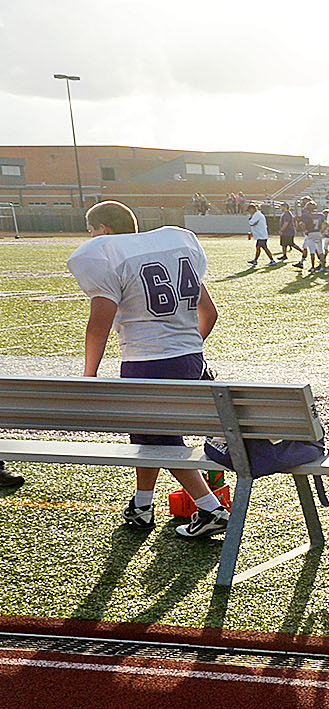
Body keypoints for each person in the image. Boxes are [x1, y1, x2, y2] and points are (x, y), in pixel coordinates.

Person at [66, 201, 228, 538]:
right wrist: (186, 347)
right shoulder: (174, 246)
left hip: (146, 360)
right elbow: (209, 313)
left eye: (91, 230)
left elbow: (98, 325)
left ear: (103, 231)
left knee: (159, 437)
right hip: (189, 358)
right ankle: (142, 505)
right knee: (145, 433)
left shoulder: (111, 257)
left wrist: (88, 375)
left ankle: (210, 507)